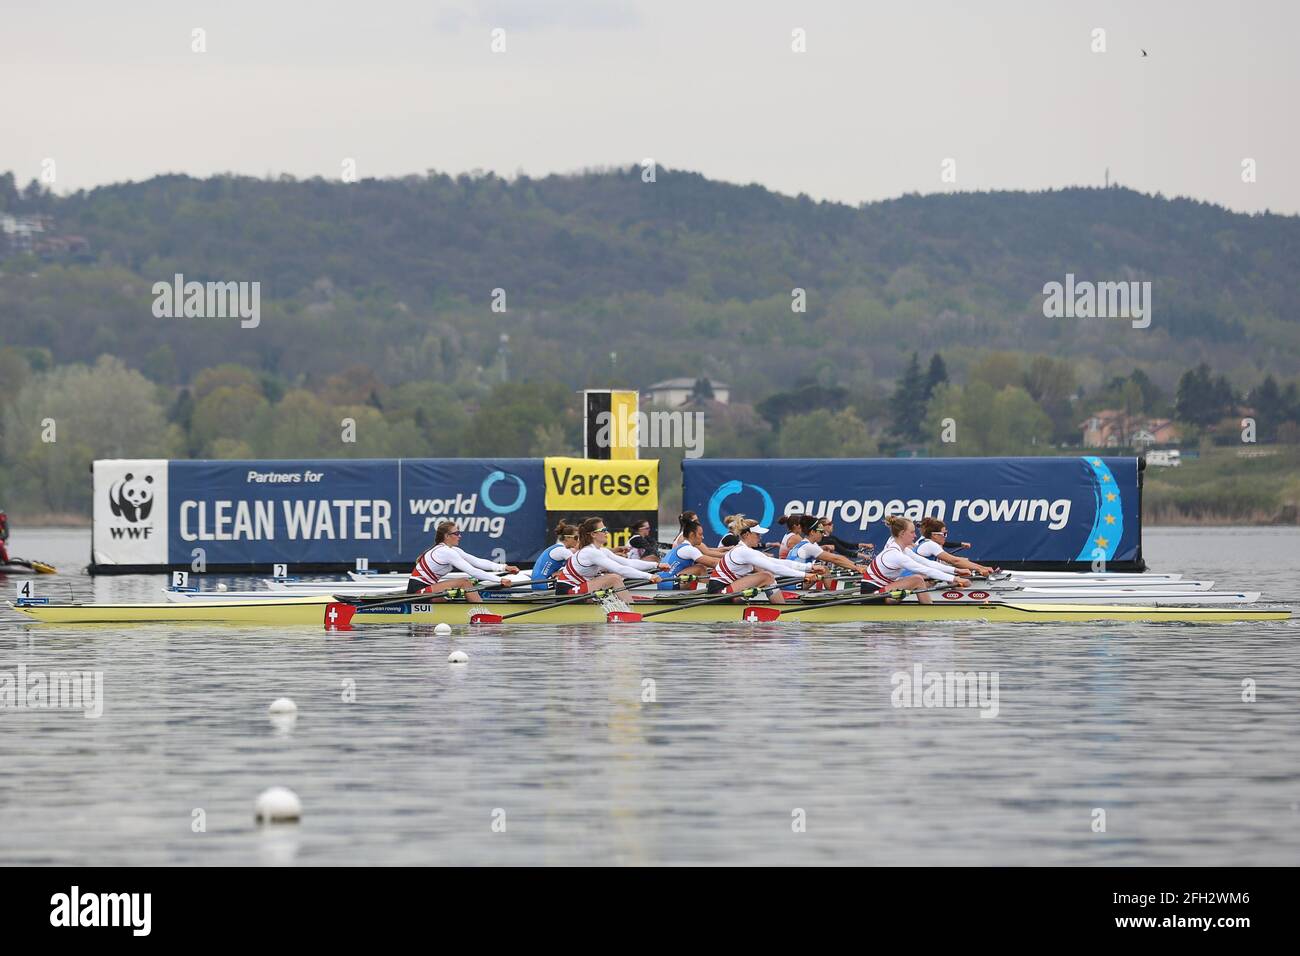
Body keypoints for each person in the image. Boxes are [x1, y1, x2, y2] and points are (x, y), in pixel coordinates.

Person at [707, 514, 823, 604]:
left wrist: (809, 567)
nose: (760, 537)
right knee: (767, 576)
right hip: (719, 594)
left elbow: (777, 562)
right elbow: (774, 568)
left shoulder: (747, 551)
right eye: (757, 534)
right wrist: (805, 575)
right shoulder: (742, 551)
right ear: (747, 535)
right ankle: (781, 610)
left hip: (728, 590)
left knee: (766, 576)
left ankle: (779, 607)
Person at [860, 515, 967, 604]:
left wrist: (956, 571)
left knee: (918, 579)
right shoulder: (895, 555)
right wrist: (955, 579)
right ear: (902, 534)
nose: (915, 535)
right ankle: (930, 615)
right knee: (917, 579)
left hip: (883, 590)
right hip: (872, 595)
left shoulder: (903, 550)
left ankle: (929, 611)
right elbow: (925, 569)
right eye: (912, 532)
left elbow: (927, 563)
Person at [408, 521, 520, 602]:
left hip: (428, 588)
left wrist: (505, 568)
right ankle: (481, 611)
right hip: (418, 591)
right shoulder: (445, 552)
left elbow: (477, 562)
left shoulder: (453, 550)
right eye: (456, 533)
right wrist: (499, 580)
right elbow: (473, 571)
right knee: (465, 582)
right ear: (447, 536)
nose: (460, 536)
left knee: (454, 594)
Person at [554, 517, 666, 595]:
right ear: (593, 534)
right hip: (567, 590)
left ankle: (626, 607)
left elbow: (628, 563)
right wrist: (649, 576)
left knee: (613, 578)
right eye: (603, 530)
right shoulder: (590, 552)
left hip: (581, 586)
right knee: (614, 578)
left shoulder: (602, 551)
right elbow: (620, 569)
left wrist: (657, 565)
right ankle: (629, 610)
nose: (607, 533)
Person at [786, 517, 870, 585]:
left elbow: (837, 558)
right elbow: (835, 559)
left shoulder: (805, 544)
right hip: (793, 584)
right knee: (824, 569)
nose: (823, 534)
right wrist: (857, 567)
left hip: (793, 580)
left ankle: (834, 587)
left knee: (822, 568)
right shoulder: (808, 547)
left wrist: (856, 565)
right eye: (821, 531)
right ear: (812, 532)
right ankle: (836, 589)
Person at [914, 517, 995, 577]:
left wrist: (982, 567)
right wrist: (980, 568)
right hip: (917, 579)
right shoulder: (930, 545)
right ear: (934, 535)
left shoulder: (929, 543)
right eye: (944, 534)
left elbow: (955, 561)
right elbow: (955, 561)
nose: (946, 537)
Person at [659, 517, 719, 589]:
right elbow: (713, 563)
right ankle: (708, 592)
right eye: (700, 534)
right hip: (668, 584)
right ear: (692, 535)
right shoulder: (689, 549)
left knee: (702, 565)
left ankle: (703, 589)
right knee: (700, 568)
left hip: (664, 582)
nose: (702, 537)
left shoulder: (682, 547)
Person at [531, 521, 578, 591]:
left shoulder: (558, 548)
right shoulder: (563, 551)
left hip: (538, 583)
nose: (578, 540)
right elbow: (578, 567)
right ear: (567, 538)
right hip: (542, 584)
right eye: (576, 537)